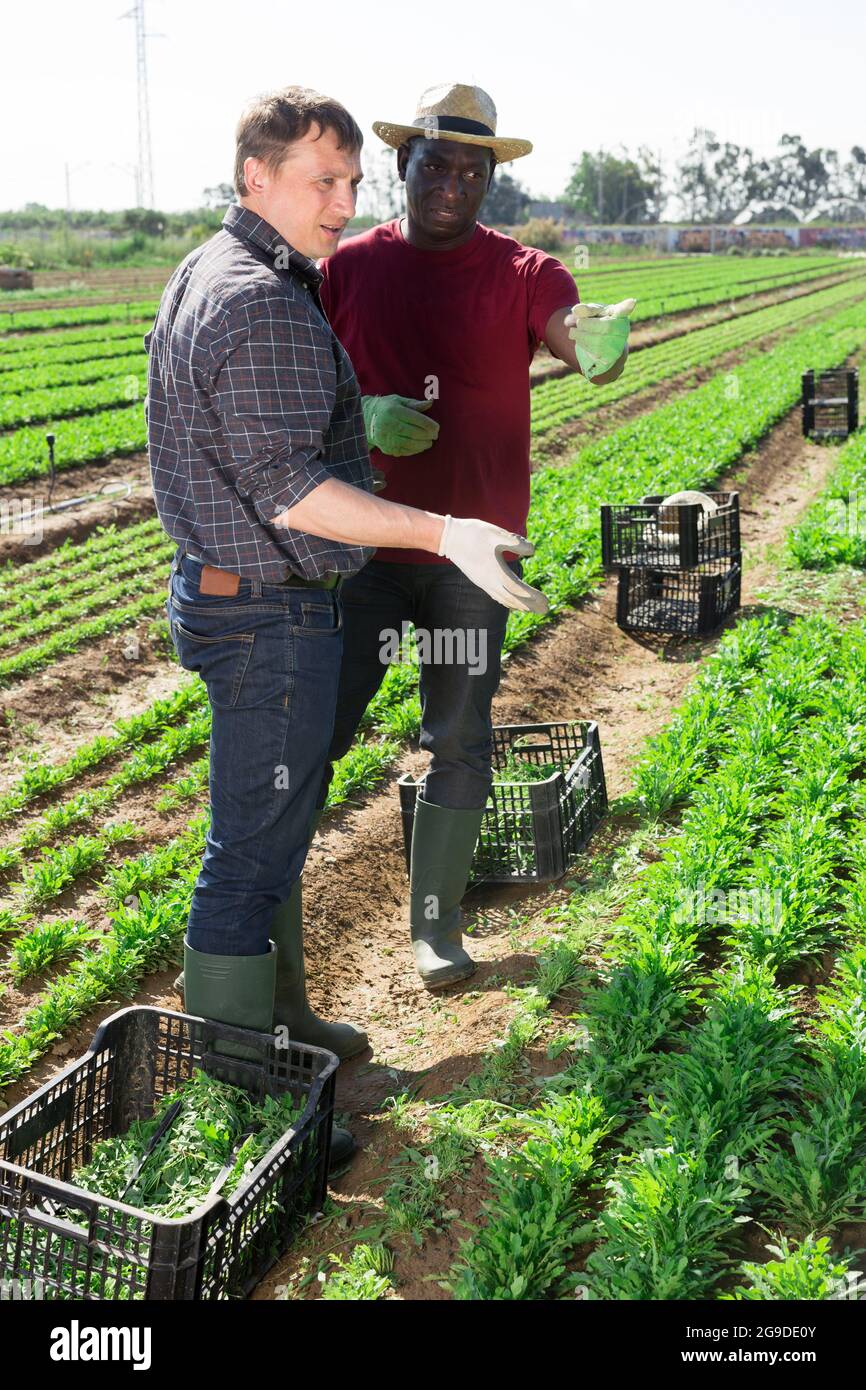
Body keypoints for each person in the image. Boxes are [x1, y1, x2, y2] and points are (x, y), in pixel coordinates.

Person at [145, 86, 548, 1161]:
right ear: (256, 177)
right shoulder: (269, 300)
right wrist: (442, 528)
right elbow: (291, 488)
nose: (343, 201)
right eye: (321, 179)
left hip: (249, 593)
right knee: (251, 857)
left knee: (282, 823)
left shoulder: (220, 271)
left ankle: (295, 1019)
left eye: (349, 181)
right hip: (278, 610)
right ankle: (247, 1116)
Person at [312, 83, 634, 990]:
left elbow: (569, 335)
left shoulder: (527, 273)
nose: (452, 183)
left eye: (471, 169)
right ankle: (269, 922)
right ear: (403, 164)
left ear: (490, 180)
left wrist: (595, 346)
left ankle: (435, 925)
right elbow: (298, 387)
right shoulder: (346, 270)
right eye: (436, 164)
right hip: (364, 552)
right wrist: (362, 416)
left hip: (472, 559)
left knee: (457, 735)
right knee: (319, 730)